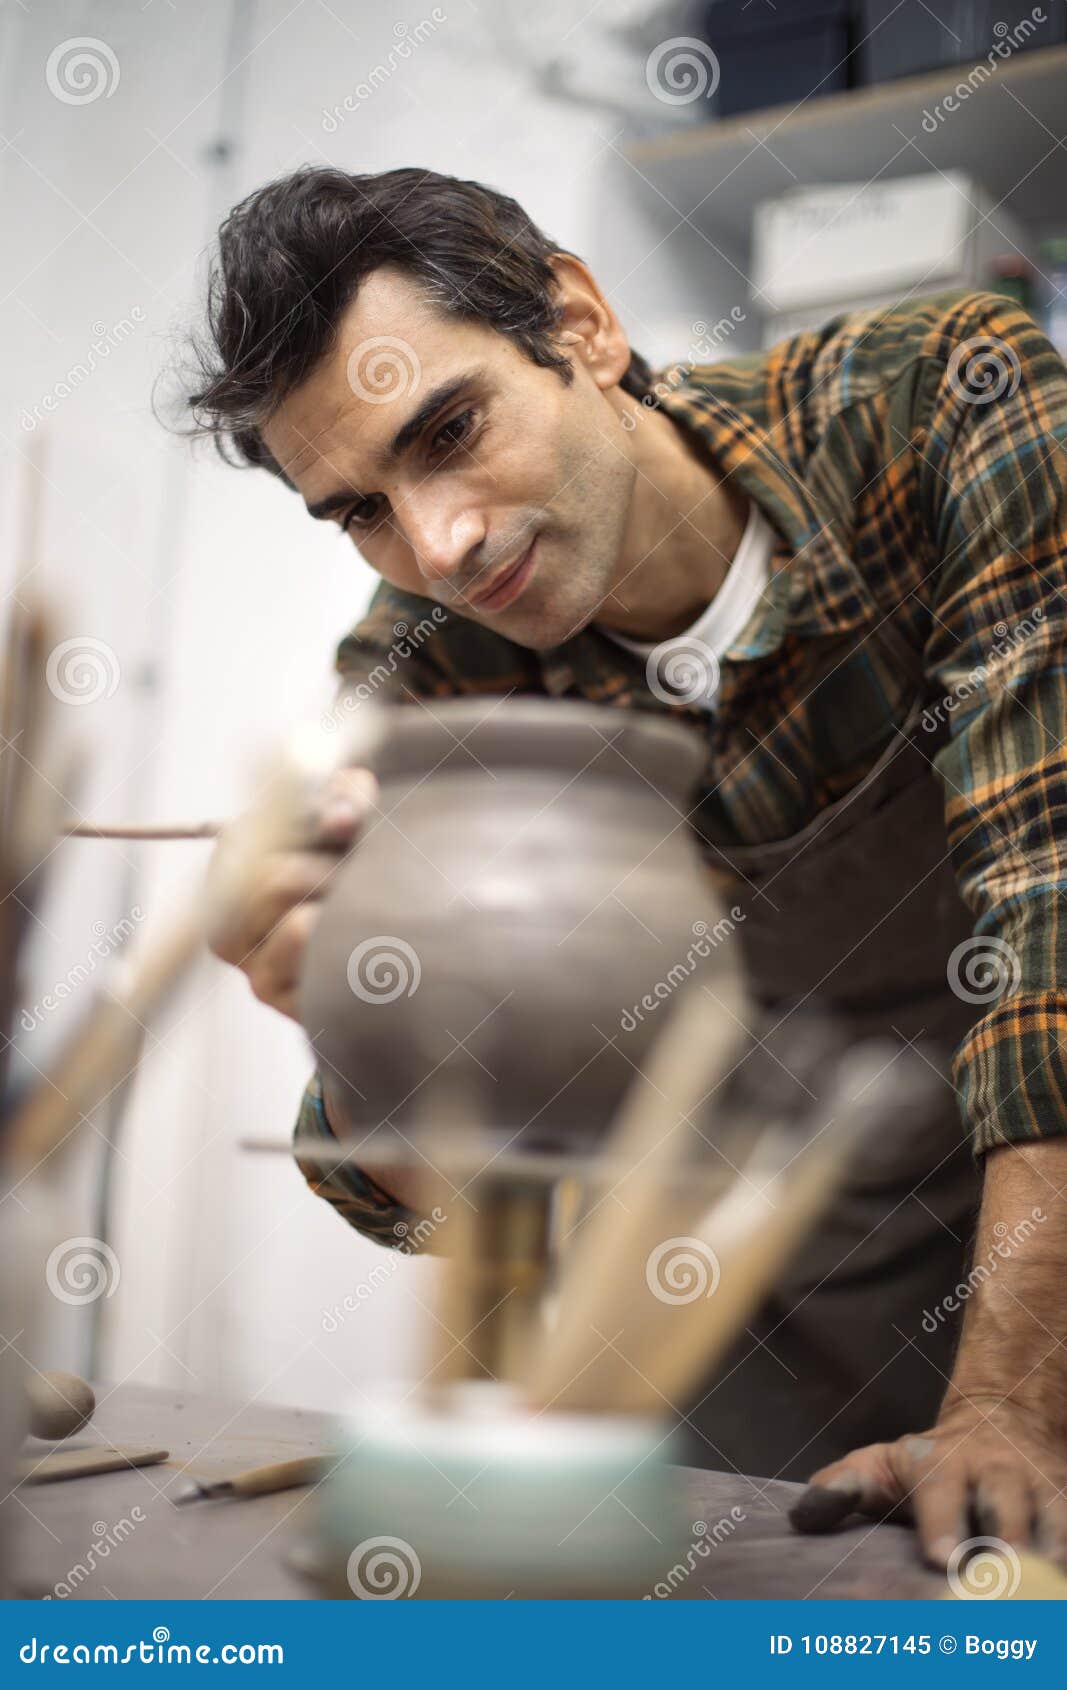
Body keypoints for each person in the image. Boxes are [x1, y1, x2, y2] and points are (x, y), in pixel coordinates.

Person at [188, 165, 1067, 1569]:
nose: (441, 543)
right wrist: (339, 1007)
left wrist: (1016, 1401)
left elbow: (1055, 927)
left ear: (581, 322)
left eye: (452, 431)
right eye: (358, 509)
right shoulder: (422, 672)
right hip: (763, 1289)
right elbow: (444, 1180)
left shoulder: (934, 410)